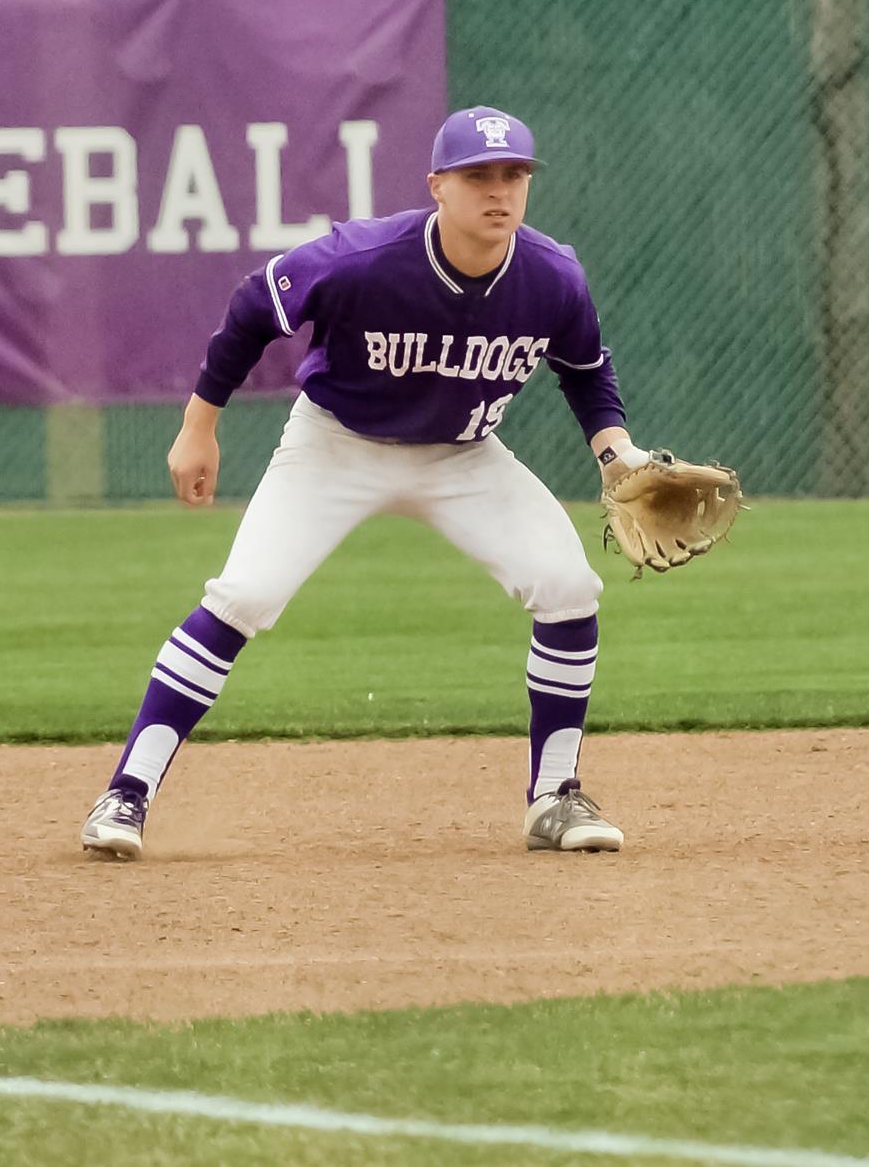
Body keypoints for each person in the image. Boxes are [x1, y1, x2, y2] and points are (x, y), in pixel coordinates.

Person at [80, 106, 657, 860]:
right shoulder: (366, 257)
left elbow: (585, 370)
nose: (500, 190)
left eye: (514, 174)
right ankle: (126, 791)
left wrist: (616, 454)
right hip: (336, 446)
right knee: (245, 594)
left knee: (569, 585)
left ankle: (554, 797)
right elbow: (256, 305)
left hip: (462, 456)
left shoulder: (552, 277)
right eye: (478, 175)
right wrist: (199, 426)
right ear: (437, 186)